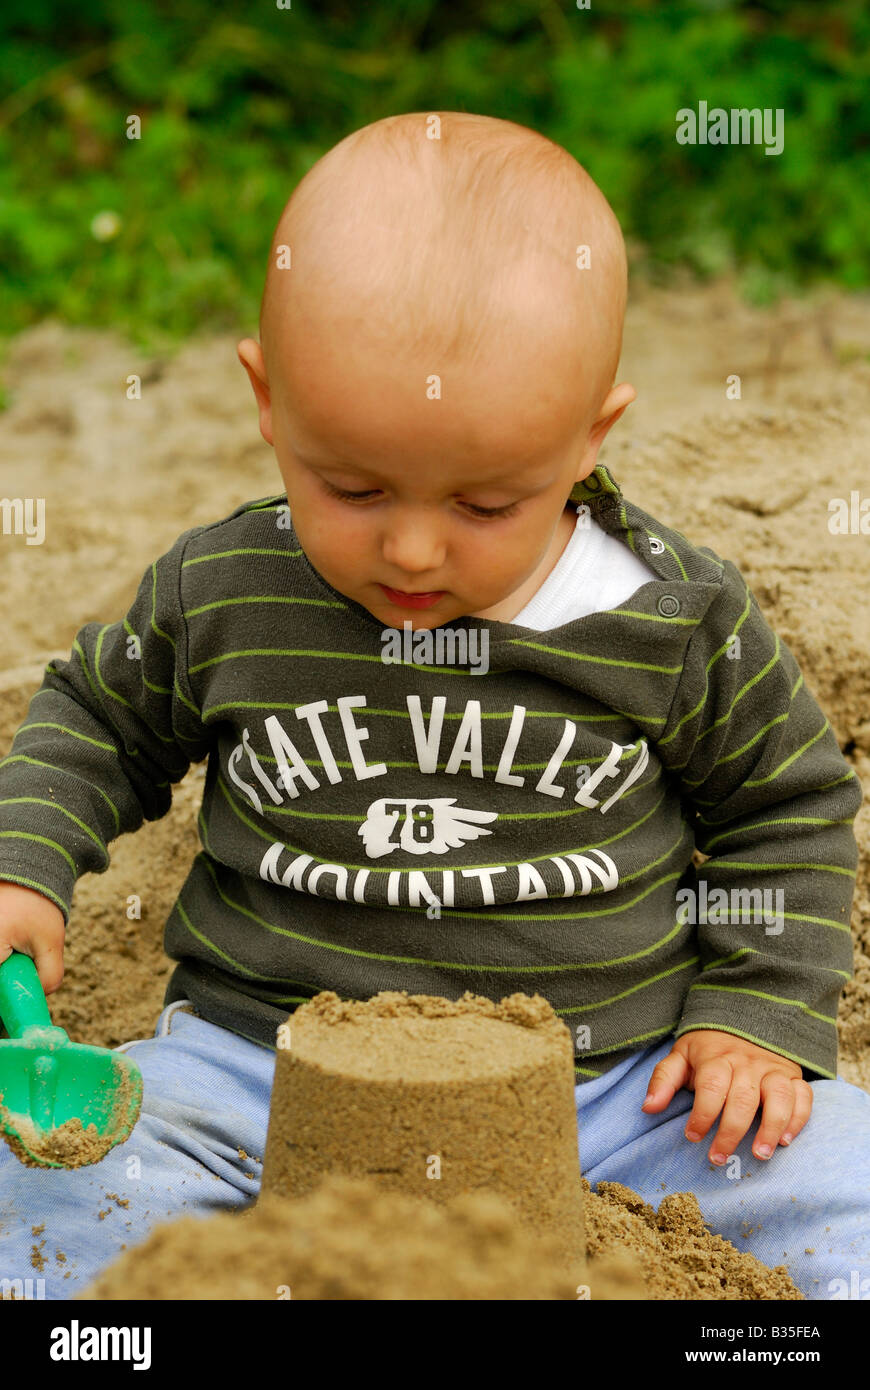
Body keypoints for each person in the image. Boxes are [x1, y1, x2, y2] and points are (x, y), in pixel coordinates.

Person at [0, 112, 867, 1301]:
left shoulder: (669, 614)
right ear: (270, 399)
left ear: (589, 437)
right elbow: (96, 719)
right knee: (47, 1196)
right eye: (349, 485)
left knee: (844, 1181)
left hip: (611, 1096)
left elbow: (790, 806)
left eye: (488, 502)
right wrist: (24, 865)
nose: (412, 548)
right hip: (257, 1084)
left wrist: (758, 1011)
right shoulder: (226, 592)